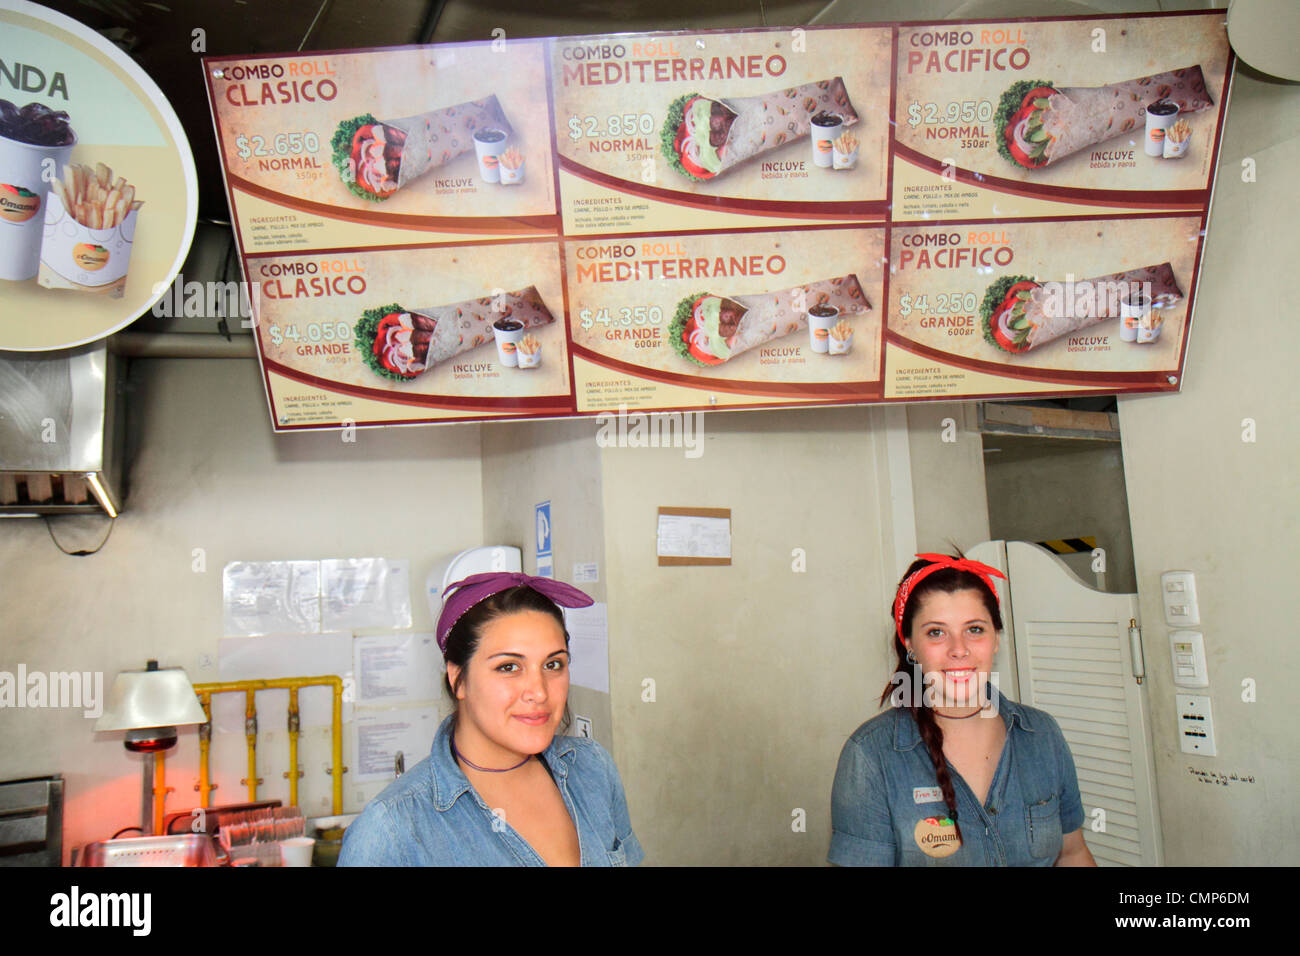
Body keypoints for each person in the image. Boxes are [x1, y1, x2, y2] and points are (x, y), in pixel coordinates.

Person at [339, 572, 643, 866]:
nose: (538, 692)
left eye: (553, 664)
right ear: (458, 679)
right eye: (509, 667)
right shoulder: (391, 828)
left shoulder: (591, 768)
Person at [828, 553, 1096, 866]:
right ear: (909, 644)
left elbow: (1072, 853)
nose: (959, 649)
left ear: (996, 638)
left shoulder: (1043, 734)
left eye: (975, 629)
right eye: (936, 632)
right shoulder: (871, 755)